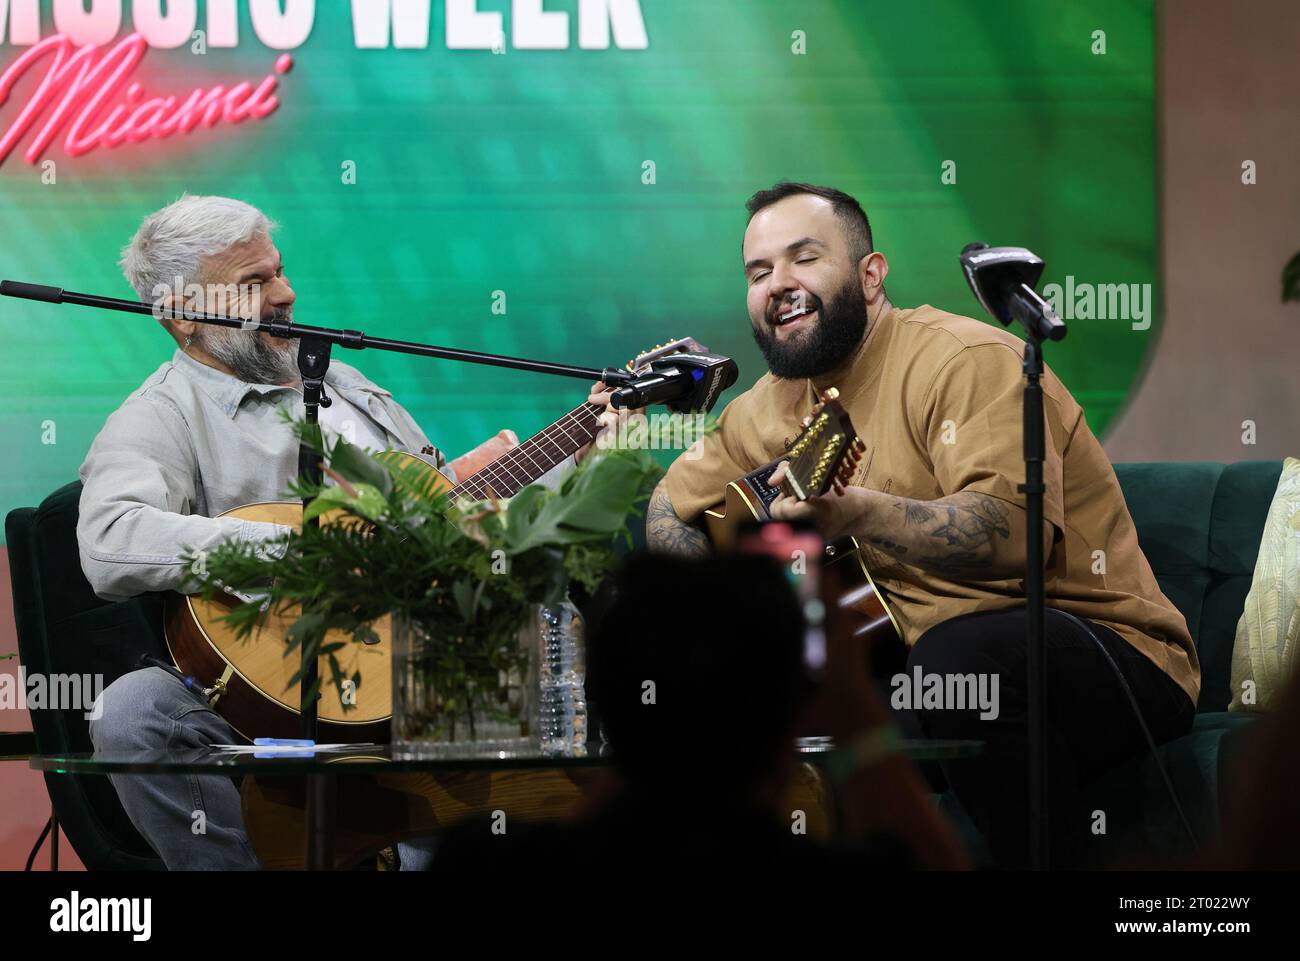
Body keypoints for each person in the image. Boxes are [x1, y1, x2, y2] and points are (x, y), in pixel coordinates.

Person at [646, 181, 1200, 868]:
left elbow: (1013, 535)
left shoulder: (965, 360)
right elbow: (670, 506)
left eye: (803, 259)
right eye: (758, 272)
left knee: (958, 662)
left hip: (1103, 651)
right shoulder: (768, 407)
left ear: (871, 276)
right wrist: (733, 605)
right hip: (911, 669)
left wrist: (859, 512)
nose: (778, 285)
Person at [82, 194, 617, 869]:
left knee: (543, 618)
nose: (286, 292)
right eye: (254, 283)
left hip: (433, 639)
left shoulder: (343, 378)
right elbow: (109, 541)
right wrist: (305, 545)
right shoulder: (158, 415)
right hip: (280, 675)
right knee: (129, 712)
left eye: (279, 270)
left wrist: (584, 448)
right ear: (181, 317)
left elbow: (447, 511)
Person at [429, 550, 968, 876]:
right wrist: (852, 701)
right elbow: (930, 859)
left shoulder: (481, 860)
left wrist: (620, 780)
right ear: (791, 729)